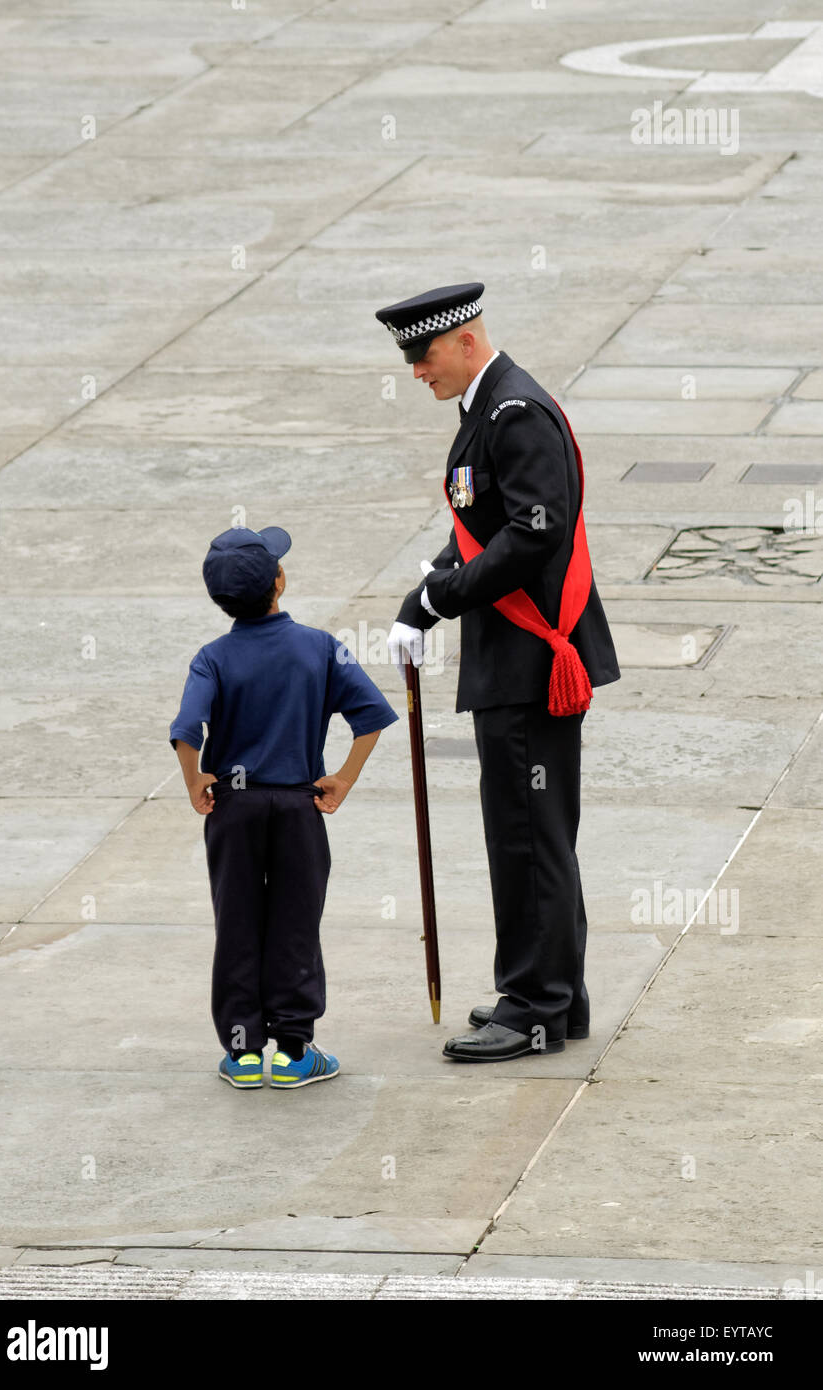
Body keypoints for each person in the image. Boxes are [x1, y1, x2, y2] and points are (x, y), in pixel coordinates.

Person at [376, 282, 621, 1062]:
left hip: (530, 659)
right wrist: (426, 597)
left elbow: (533, 534)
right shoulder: (488, 408)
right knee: (531, 830)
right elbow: (481, 524)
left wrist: (439, 595)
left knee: (525, 834)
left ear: (466, 340)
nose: (416, 370)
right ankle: (553, 994)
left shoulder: (515, 415)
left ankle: (536, 1006)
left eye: (423, 353)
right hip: (513, 657)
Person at [169, 525, 398, 1089]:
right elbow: (371, 715)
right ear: (281, 581)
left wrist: (195, 780)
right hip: (298, 805)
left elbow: (186, 728)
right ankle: (295, 1050)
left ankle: (243, 1054)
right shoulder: (320, 647)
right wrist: (342, 778)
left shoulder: (212, 657)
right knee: (297, 920)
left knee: (238, 920)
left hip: (234, 807)